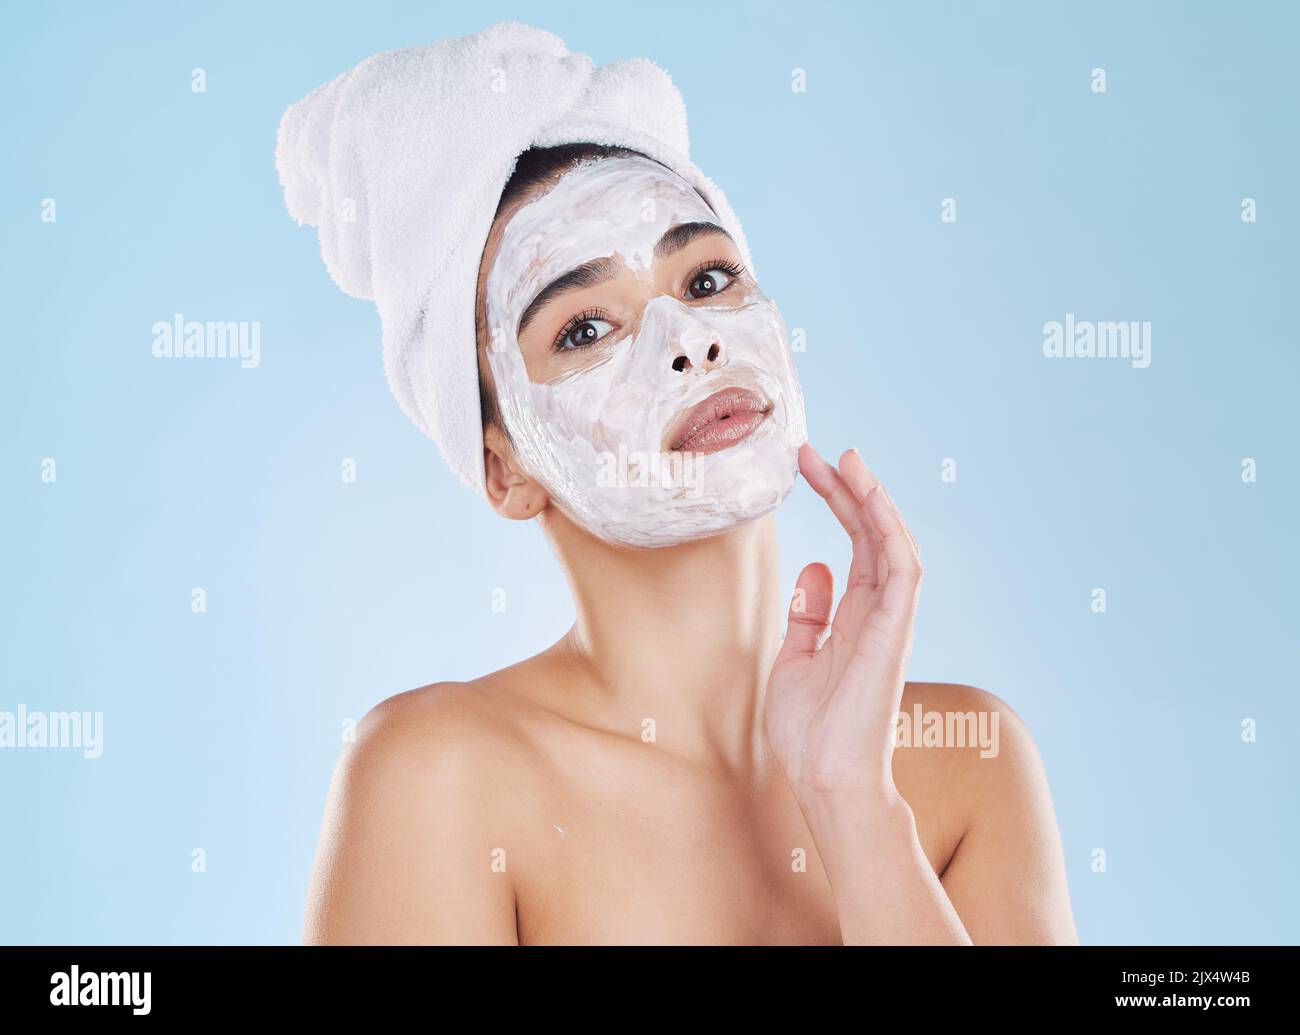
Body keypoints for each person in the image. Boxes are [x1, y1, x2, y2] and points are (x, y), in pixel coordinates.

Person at [281, 25, 1079, 945]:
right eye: (585, 329)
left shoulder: (970, 762)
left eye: (706, 278)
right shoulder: (440, 777)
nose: (690, 342)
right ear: (505, 470)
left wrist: (853, 800)